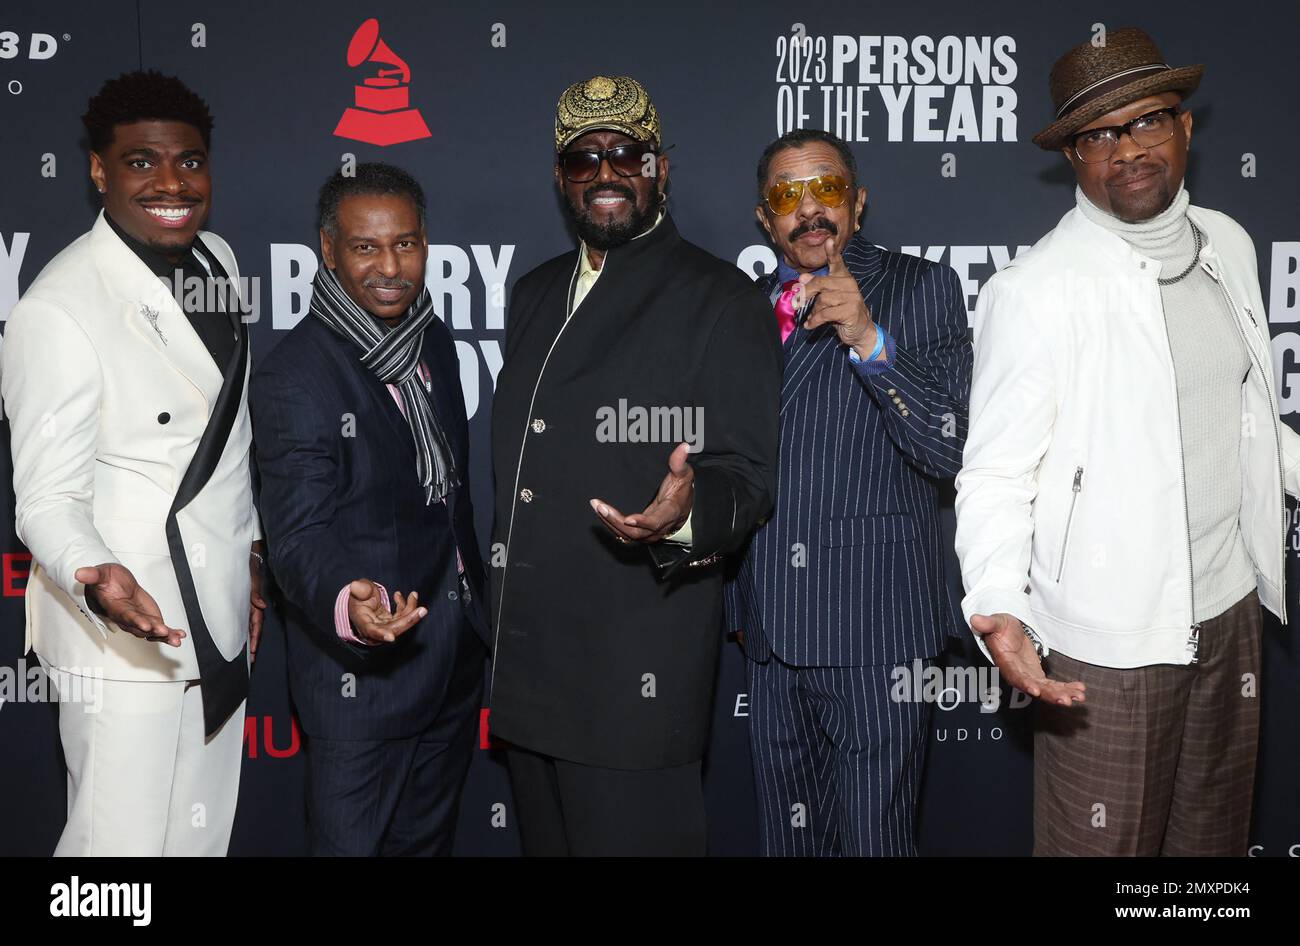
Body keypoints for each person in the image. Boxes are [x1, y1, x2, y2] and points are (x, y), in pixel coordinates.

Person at [955, 27, 1297, 855]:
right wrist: (995, 603)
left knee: (1208, 854)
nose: (1127, 150)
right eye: (1098, 135)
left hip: (1230, 610)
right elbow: (997, 471)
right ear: (1072, 156)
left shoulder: (1230, 245)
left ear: (1185, 127)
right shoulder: (1034, 292)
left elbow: (1247, 413)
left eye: (1146, 121)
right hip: (1109, 638)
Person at [489, 75, 782, 855]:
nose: (607, 172)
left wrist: (682, 516)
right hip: (526, 674)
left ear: (660, 168)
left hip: (633, 680)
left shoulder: (721, 299)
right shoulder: (534, 292)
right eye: (584, 159)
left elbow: (748, 475)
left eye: (627, 154)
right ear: (561, 177)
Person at [1, 70, 259, 855]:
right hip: (124, 630)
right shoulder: (59, 310)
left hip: (212, 620)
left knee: (196, 842)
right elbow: (43, 498)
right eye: (142, 162)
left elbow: (227, 441)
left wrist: (251, 559)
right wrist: (94, 573)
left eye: (189, 160)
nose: (172, 182)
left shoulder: (215, 256)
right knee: (116, 857)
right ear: (98, 170)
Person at [727, 128, 971, 856]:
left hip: (874, 634)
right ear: (764, 220)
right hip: (769, 633)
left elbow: (947, 445)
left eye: (826, 189)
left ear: (857, 204)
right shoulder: (739, 310)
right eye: (787, 196)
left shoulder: (919, 288)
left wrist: (868, 338)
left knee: (875, 843)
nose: (810, 210)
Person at [250, 163, 488, 856]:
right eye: (365, 247)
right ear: (327, 250)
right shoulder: (296, 376)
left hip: (451, 658)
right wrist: (345, 603)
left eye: (407, 244)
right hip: (362, 685)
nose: (391, 267)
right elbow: (297, 535)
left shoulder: (432, 341)